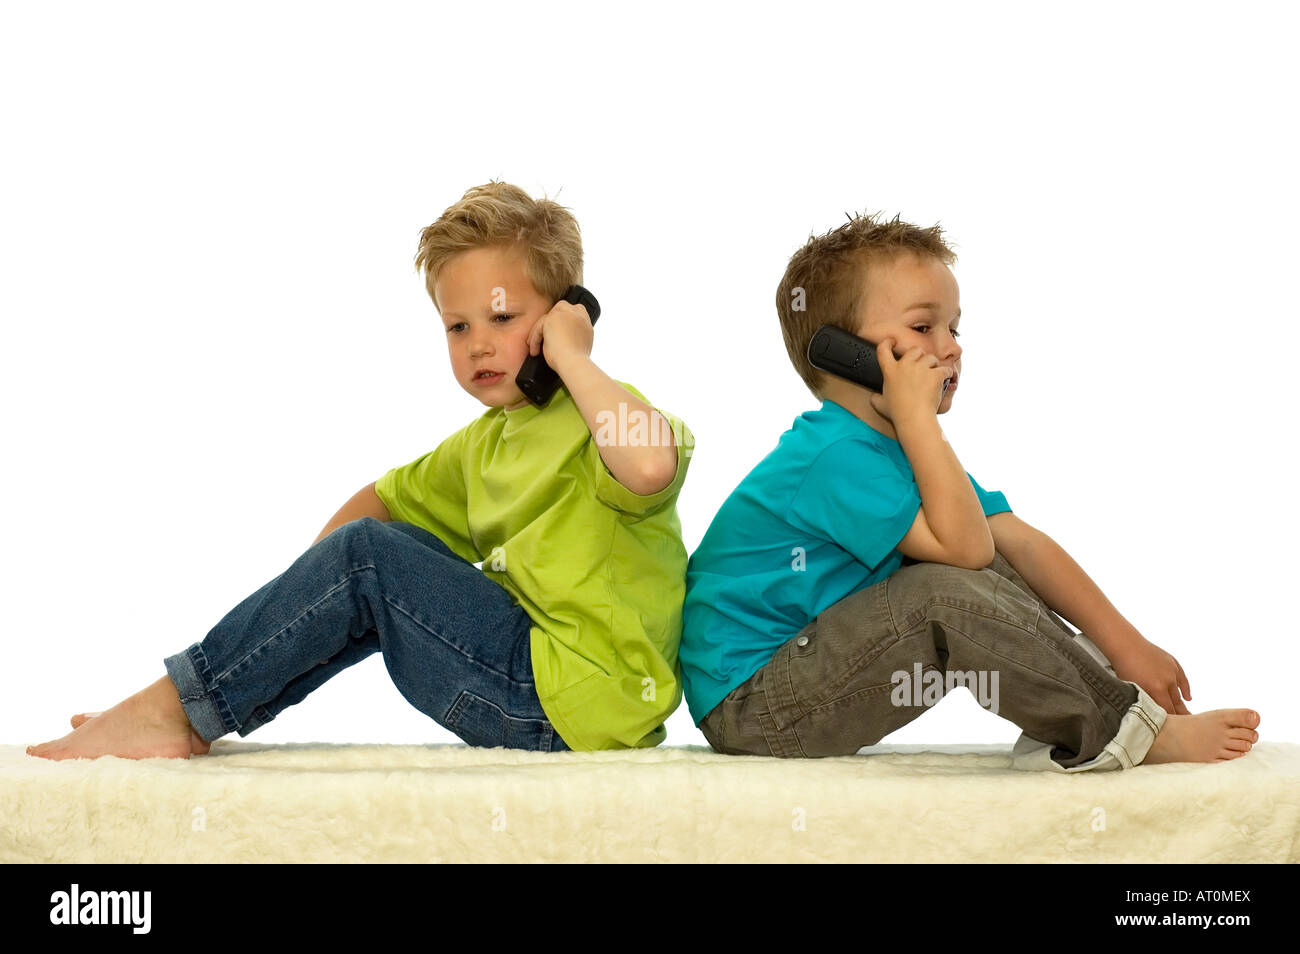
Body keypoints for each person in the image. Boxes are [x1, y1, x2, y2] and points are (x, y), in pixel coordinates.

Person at [27, 181, 693, 760]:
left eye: (502, 316)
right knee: (377, 550)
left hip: (577, 700)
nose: (479, 343)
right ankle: (199, 714)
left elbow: (649, 465)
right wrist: (295, 611)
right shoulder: (482, 445)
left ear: (560, 314)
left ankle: (177, 709)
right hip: (532, 686)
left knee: (369, 561)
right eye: (456, 327)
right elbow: (380, 502)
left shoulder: (605, 413)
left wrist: (574, 357)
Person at [679, 211, 1258, 769]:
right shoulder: (832, 456)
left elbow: (1015, 544)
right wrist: (920, 420)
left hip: (807, 673)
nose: (951, 345)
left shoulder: (898, 450)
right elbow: (966, 554)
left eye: (954, 327)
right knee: (939, 587)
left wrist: (1128, 644)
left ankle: (1086, 702)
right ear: (843, 351)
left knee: (979, 551)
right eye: (923, 327)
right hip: (755, 705)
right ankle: (1122, 733)